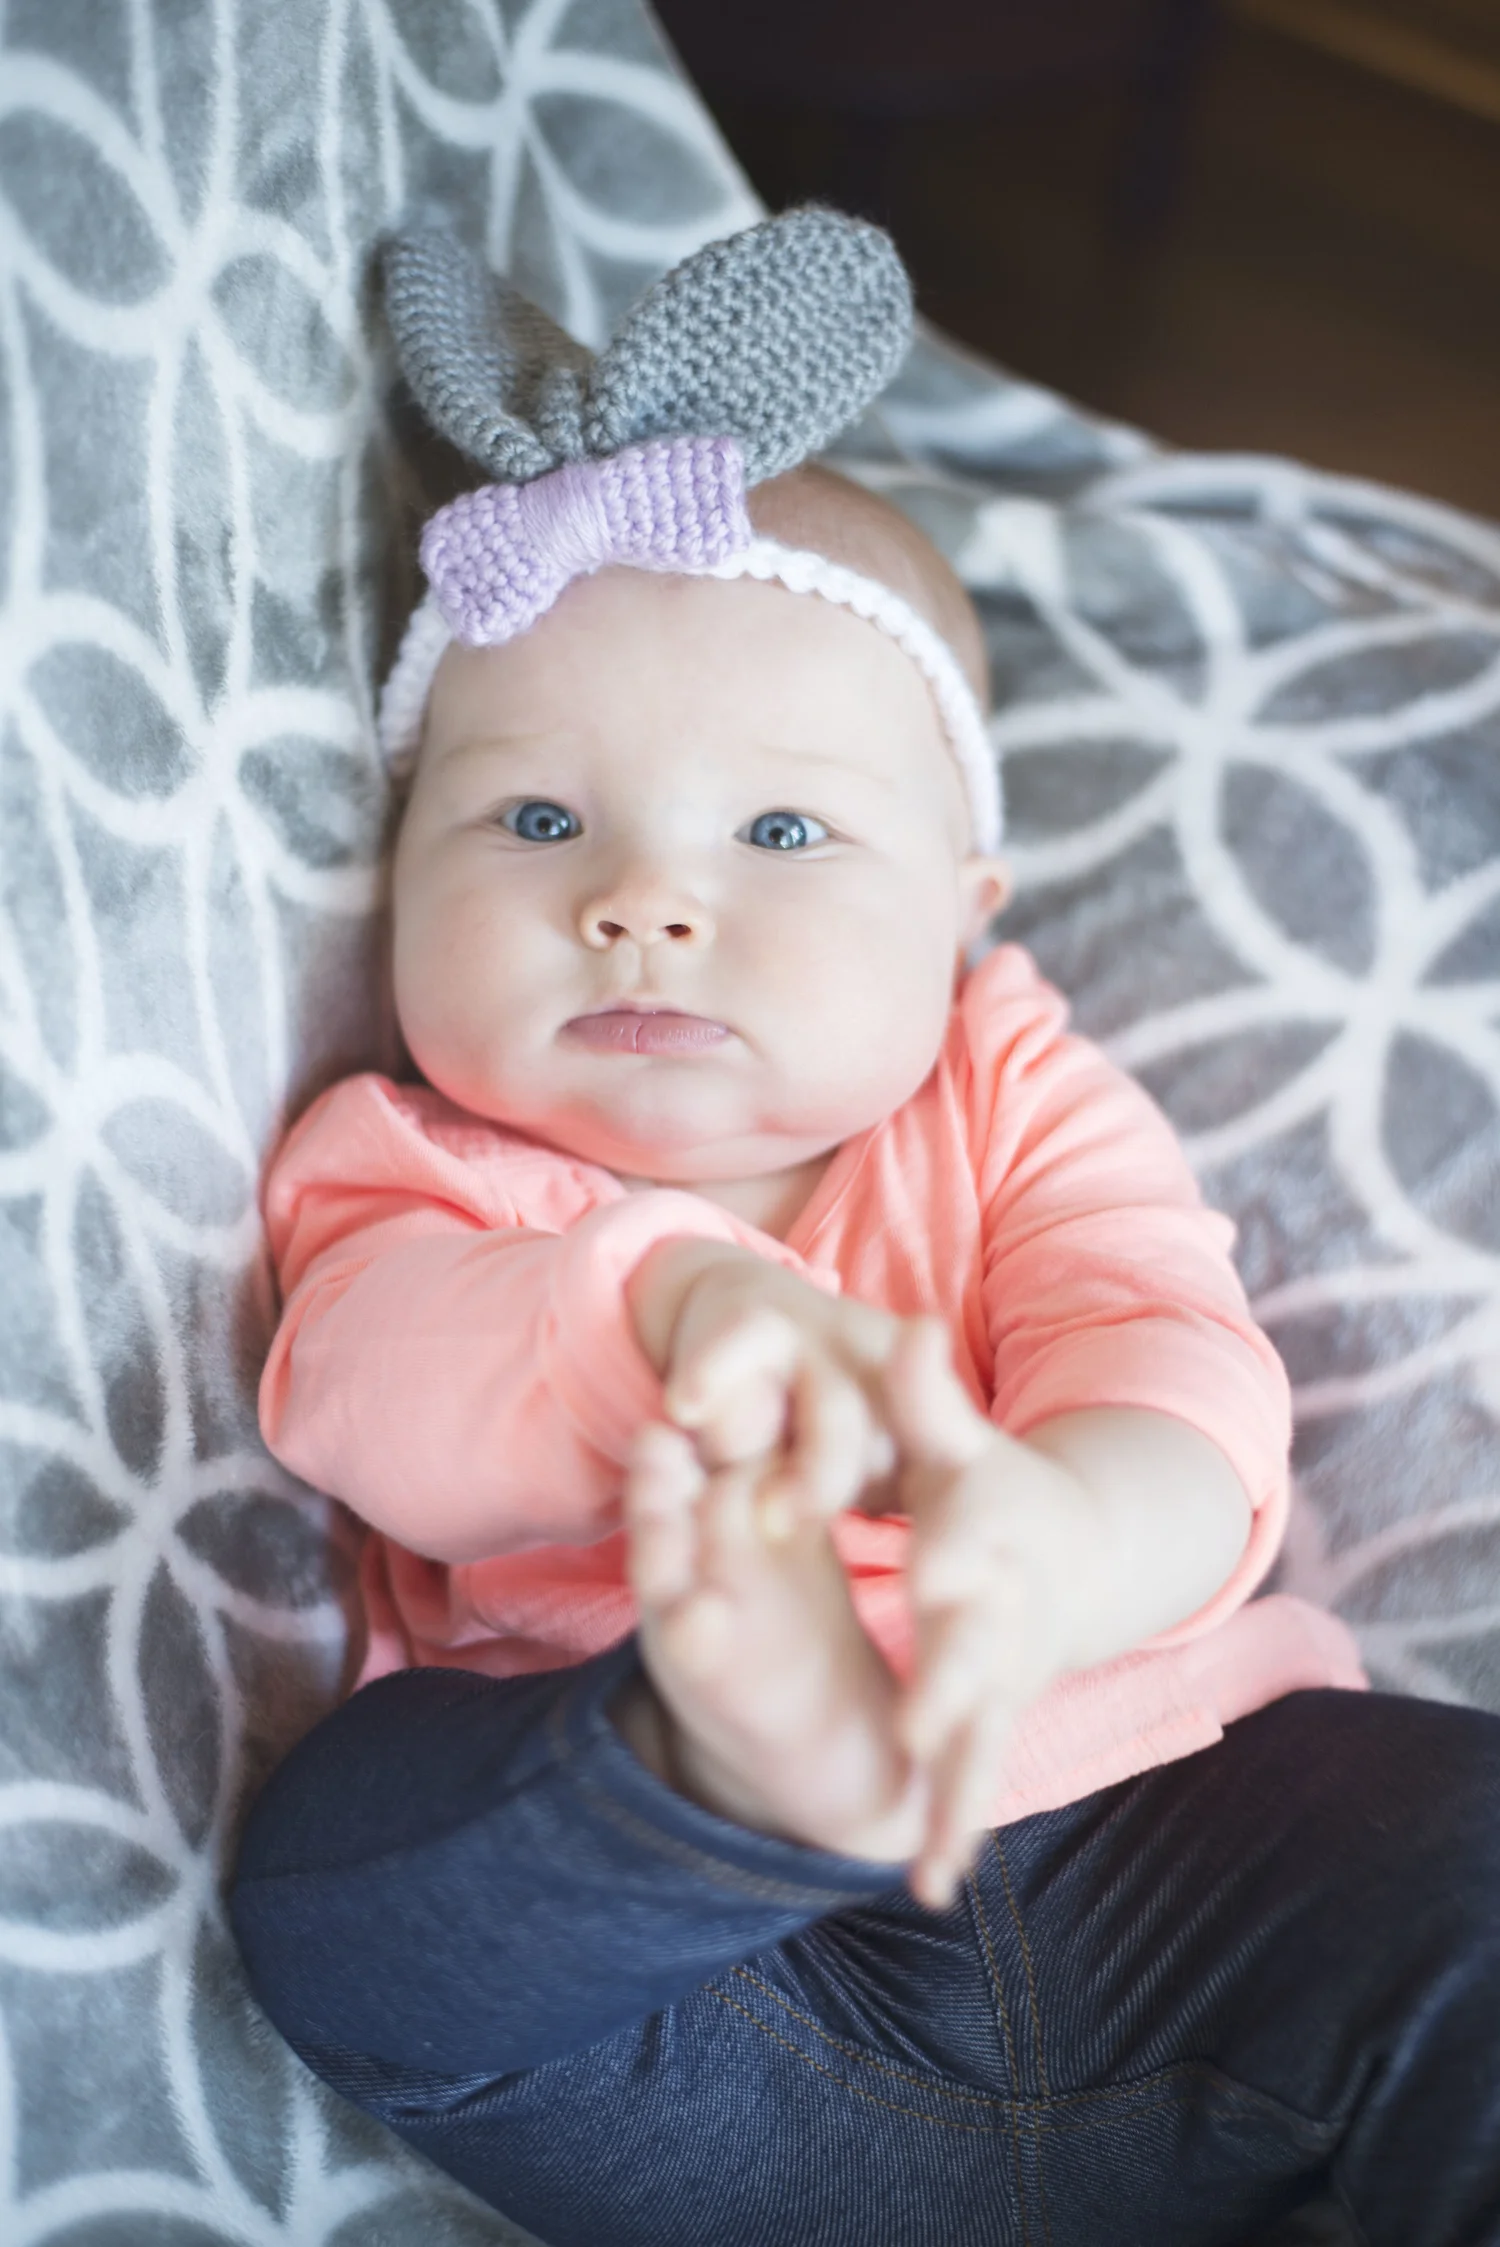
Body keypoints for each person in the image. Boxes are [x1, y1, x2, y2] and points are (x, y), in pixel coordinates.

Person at [229, 211, 1500, 2247]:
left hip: (1165, 1853)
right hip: (712, 2005)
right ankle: (734, 1769)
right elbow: (370, 1386)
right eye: (536, 820)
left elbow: (1162, 1347)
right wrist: (671, 1308)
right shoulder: (409, 1157)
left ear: (965, 903)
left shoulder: (1004, 1084)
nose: (643, 900)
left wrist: (1079, 1530)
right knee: (340, 1867)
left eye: (784, 830)